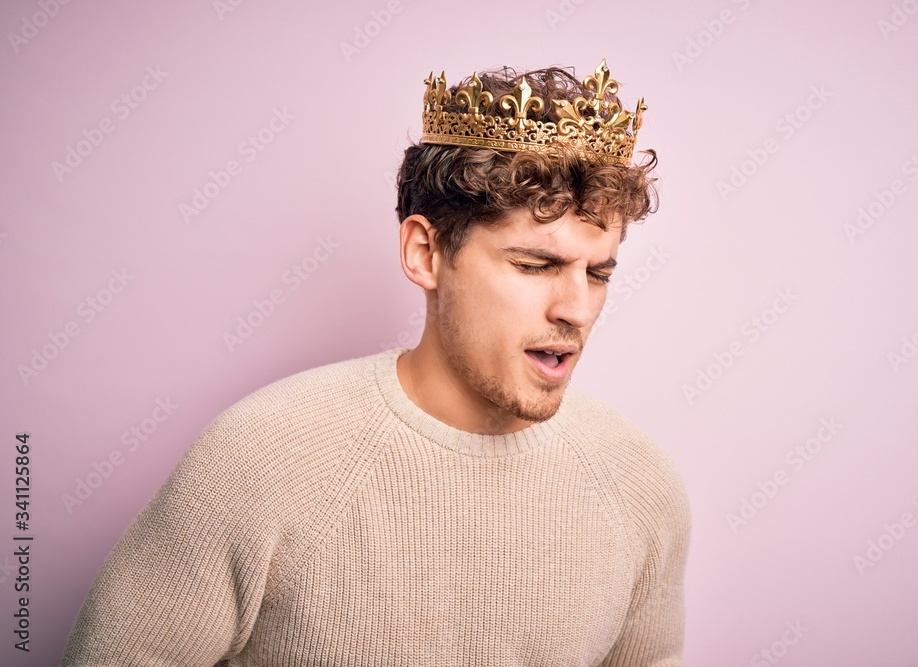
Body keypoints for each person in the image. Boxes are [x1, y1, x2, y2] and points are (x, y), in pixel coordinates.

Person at [60, 58, 691, 666]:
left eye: (600, 272)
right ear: (424, 252)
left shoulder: (640, 485)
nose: (577, 310)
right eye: (535, 266)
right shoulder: (259, 459)